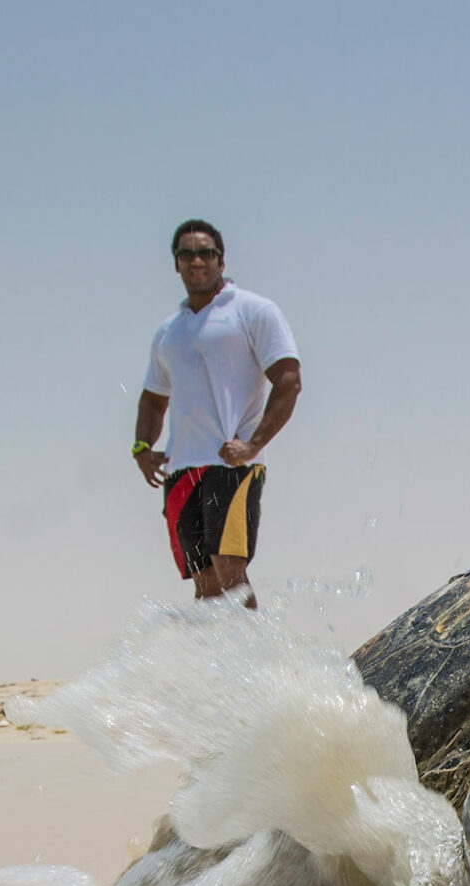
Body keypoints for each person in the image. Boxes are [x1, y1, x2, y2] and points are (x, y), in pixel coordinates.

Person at [134, 219, 302, 605]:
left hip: (232, 465)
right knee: (204, 584)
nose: (197, 261)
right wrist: (142, 446)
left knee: (231, 573)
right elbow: (153, 398)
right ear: (176, 264)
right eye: (187, 254)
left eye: (206, 253)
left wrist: (253, 443)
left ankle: (255, 664)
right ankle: (215, 667)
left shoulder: (253, 311)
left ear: (221, 261)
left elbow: (289, 380)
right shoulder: (169, 331)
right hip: (181, 469)